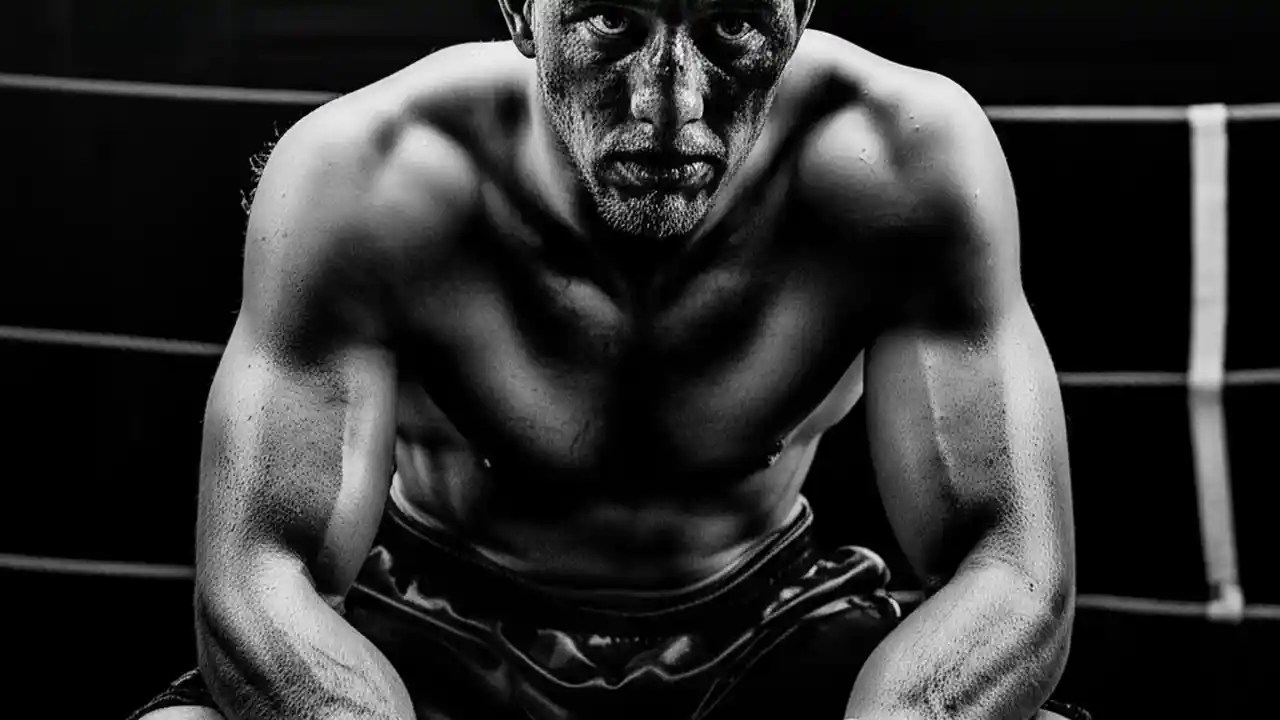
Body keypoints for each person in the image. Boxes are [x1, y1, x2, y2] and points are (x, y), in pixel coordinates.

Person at [130, 1, 1087, 718]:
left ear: (799, 16)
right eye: (609, 21)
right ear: (520, 11)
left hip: (773, 636)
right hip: (431, 641)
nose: (667, 101)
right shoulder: (366, 174)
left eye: (733, 27)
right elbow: (259, 576)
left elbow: (1012, 568)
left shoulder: (906, 158)